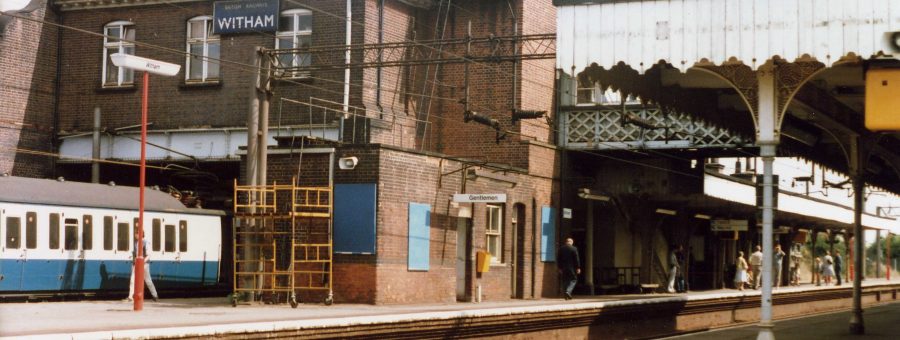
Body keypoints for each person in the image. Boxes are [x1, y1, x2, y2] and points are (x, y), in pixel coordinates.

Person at [127, 230, 159, 302]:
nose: (135, 235)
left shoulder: (146, 242)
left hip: (144, 264)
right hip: (137, 263)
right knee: (133, 279)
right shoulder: (136, 243)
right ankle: (130, 296)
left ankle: (155, 294)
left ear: (140, 234)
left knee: (148, 280)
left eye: (136, 234)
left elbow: (149, 254)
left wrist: (142, 261)